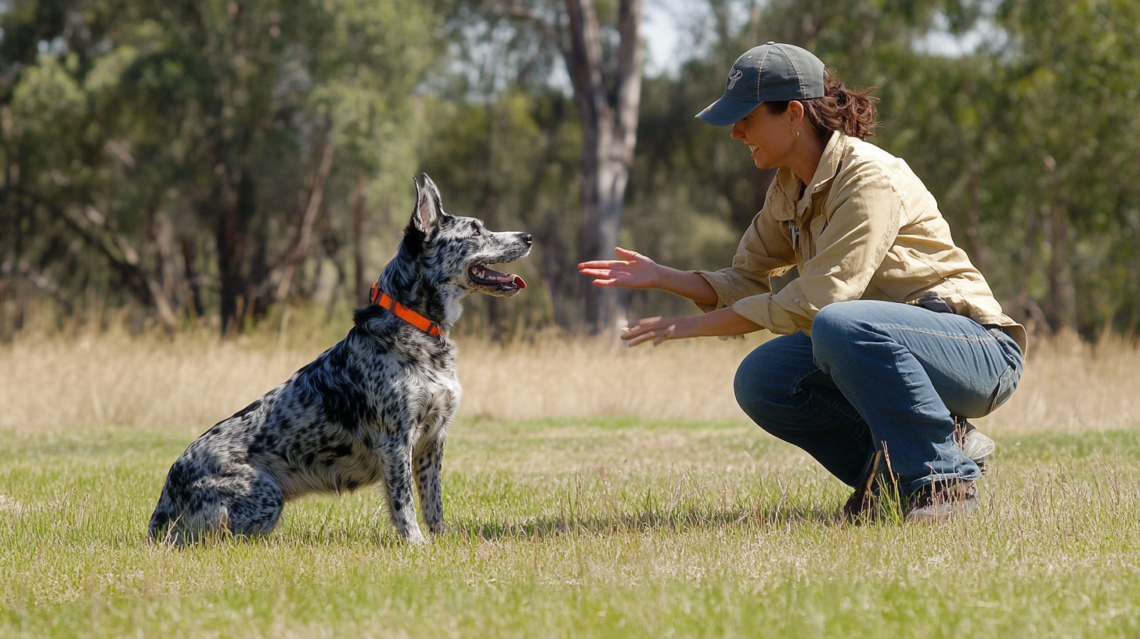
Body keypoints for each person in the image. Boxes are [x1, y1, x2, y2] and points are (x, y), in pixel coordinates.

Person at [578, 42, 1026, 522]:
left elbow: (821, 300)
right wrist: (667, 278)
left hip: (978, 353)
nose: (735, 133)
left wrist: (686, 329)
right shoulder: (788, 189)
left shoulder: (869, 178)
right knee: (764, 379)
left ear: (794, 113)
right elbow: (747, 278)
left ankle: (943, 483)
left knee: (836, 323)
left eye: (746, 118)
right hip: (877, 340)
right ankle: (893, 480)